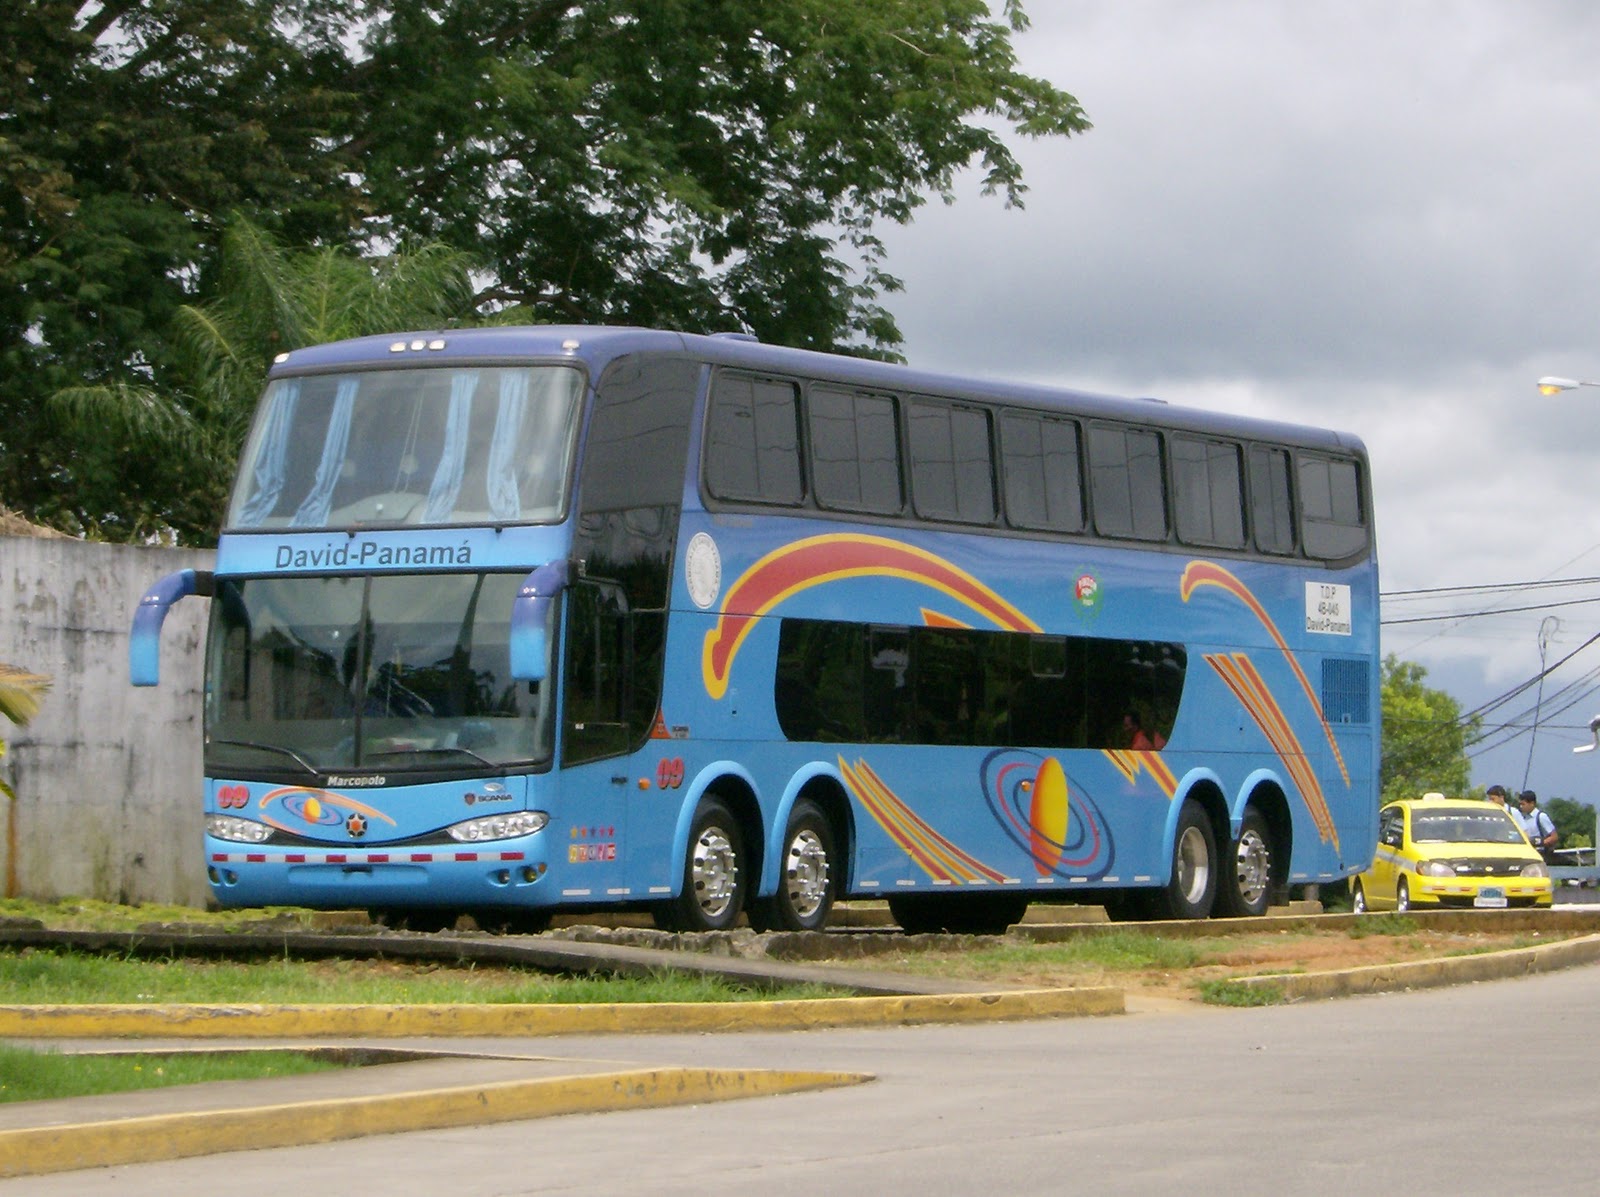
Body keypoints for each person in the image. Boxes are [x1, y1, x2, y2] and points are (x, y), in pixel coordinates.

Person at [1515, 789, 1559, 862]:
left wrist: (1540, 842)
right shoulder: (1522, 818)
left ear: (1532, 803)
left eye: (1523, 804)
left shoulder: (1541, 817)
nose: (1521, 806)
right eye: (1520, 804)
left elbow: (1554, 837)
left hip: (1540, 854)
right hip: (1526, 854)